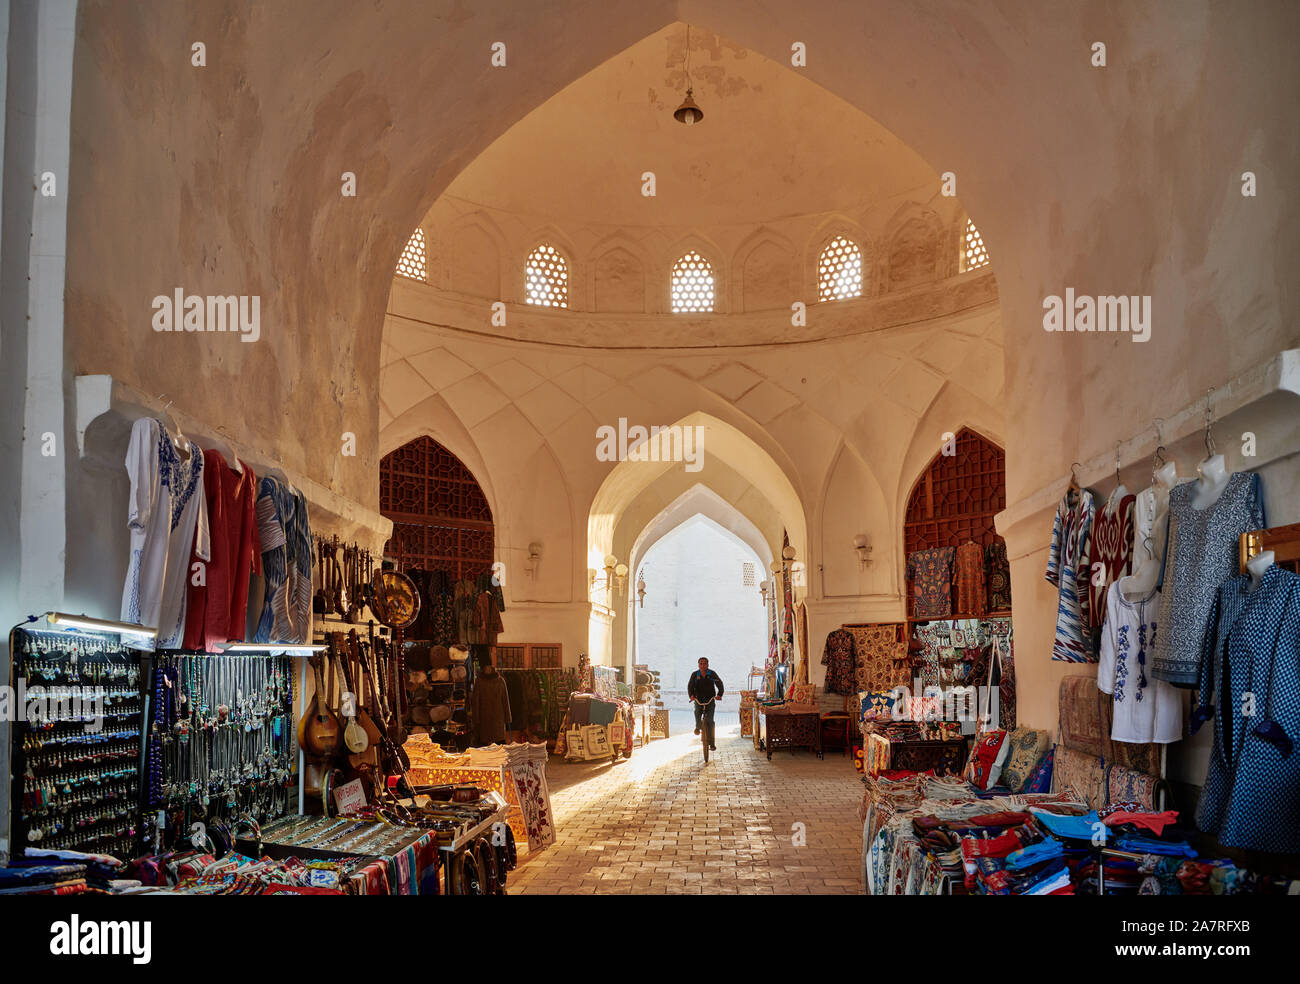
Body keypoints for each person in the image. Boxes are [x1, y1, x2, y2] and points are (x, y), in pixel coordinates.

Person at [470, 654, 511, 746]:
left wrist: (508, 717)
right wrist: (476, 718)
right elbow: (475, 701)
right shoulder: (482, 681)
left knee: (493, 742)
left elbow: (505, 699)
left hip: (490, 716)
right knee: (493, 742)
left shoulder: (499, 681)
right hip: (490, 716)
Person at [687, 657, 725, 750]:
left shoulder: (712, 674)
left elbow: (720, 684)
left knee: (710, 721)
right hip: (698, 699)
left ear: (708, 665)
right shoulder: (695, 674)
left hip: (710, 699)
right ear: (698, 665)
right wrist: (691, 695)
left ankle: (712, 743)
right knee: (697, 712)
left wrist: (719, 695)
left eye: (705, 664)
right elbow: (690, 686)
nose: (703, 665)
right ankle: (698, 726)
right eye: (701, 663)